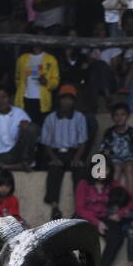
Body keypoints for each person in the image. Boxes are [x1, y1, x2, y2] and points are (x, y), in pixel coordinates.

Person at [39, 85, 89, 220]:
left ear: (74, 101)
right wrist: (54, 158)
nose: (67, 102)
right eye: (64, 98)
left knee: (80, 171)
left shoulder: (79, 117)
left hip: (74, 152)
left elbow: (82, 143)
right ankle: (55, 208)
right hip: (56, 152)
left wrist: (77, 158)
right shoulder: (50, 118)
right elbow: (46, 143)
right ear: (59, 100)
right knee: (54, 169)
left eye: (70, 99)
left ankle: (78, 210)